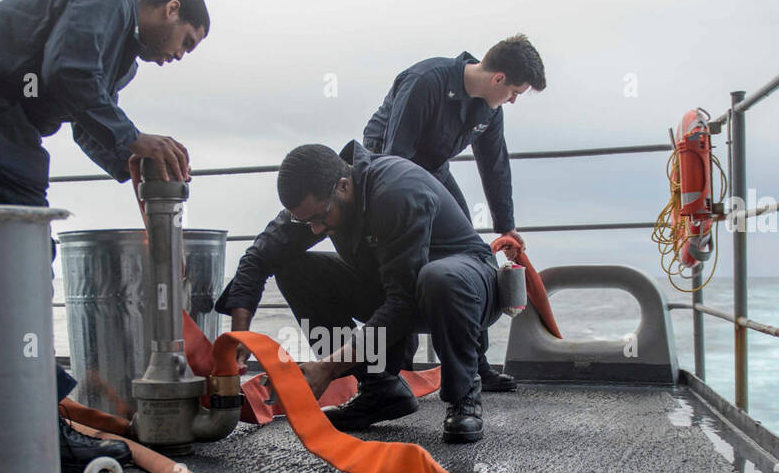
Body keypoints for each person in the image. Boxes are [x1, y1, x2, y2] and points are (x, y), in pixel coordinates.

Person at [0, 0, 209, 471]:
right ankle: (40, 431)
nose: (180, 55)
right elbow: (68, 71)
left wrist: (131, 159)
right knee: (18, 267)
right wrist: (134, 137)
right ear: (171, 9)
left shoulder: (121, 59)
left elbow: (84, 121)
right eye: (187, 42)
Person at [215, 142, 501, 443]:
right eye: (306, 221)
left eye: (319, 218)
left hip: (468, 288)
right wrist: (239, 339)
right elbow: (258, 257)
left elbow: (402, 302)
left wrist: (327, 367)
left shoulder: (396, 189)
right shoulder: (321, 200)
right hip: (400, 289)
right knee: (292, 268)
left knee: (438, 277)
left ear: (343, 186)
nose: (314, 230)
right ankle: (379, 389)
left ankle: (464, 397)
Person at [363, 34, 546, 392]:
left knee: (472, 254)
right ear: (498, 79)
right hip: (388, 168)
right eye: (514, 93)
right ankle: (394, 370)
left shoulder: (490, 110)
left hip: (432, 168)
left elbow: (494, 166)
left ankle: (476, 366)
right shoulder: (426, 81)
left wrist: (506, 229)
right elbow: (395, 154)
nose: (512, 100)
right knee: (404, 259)